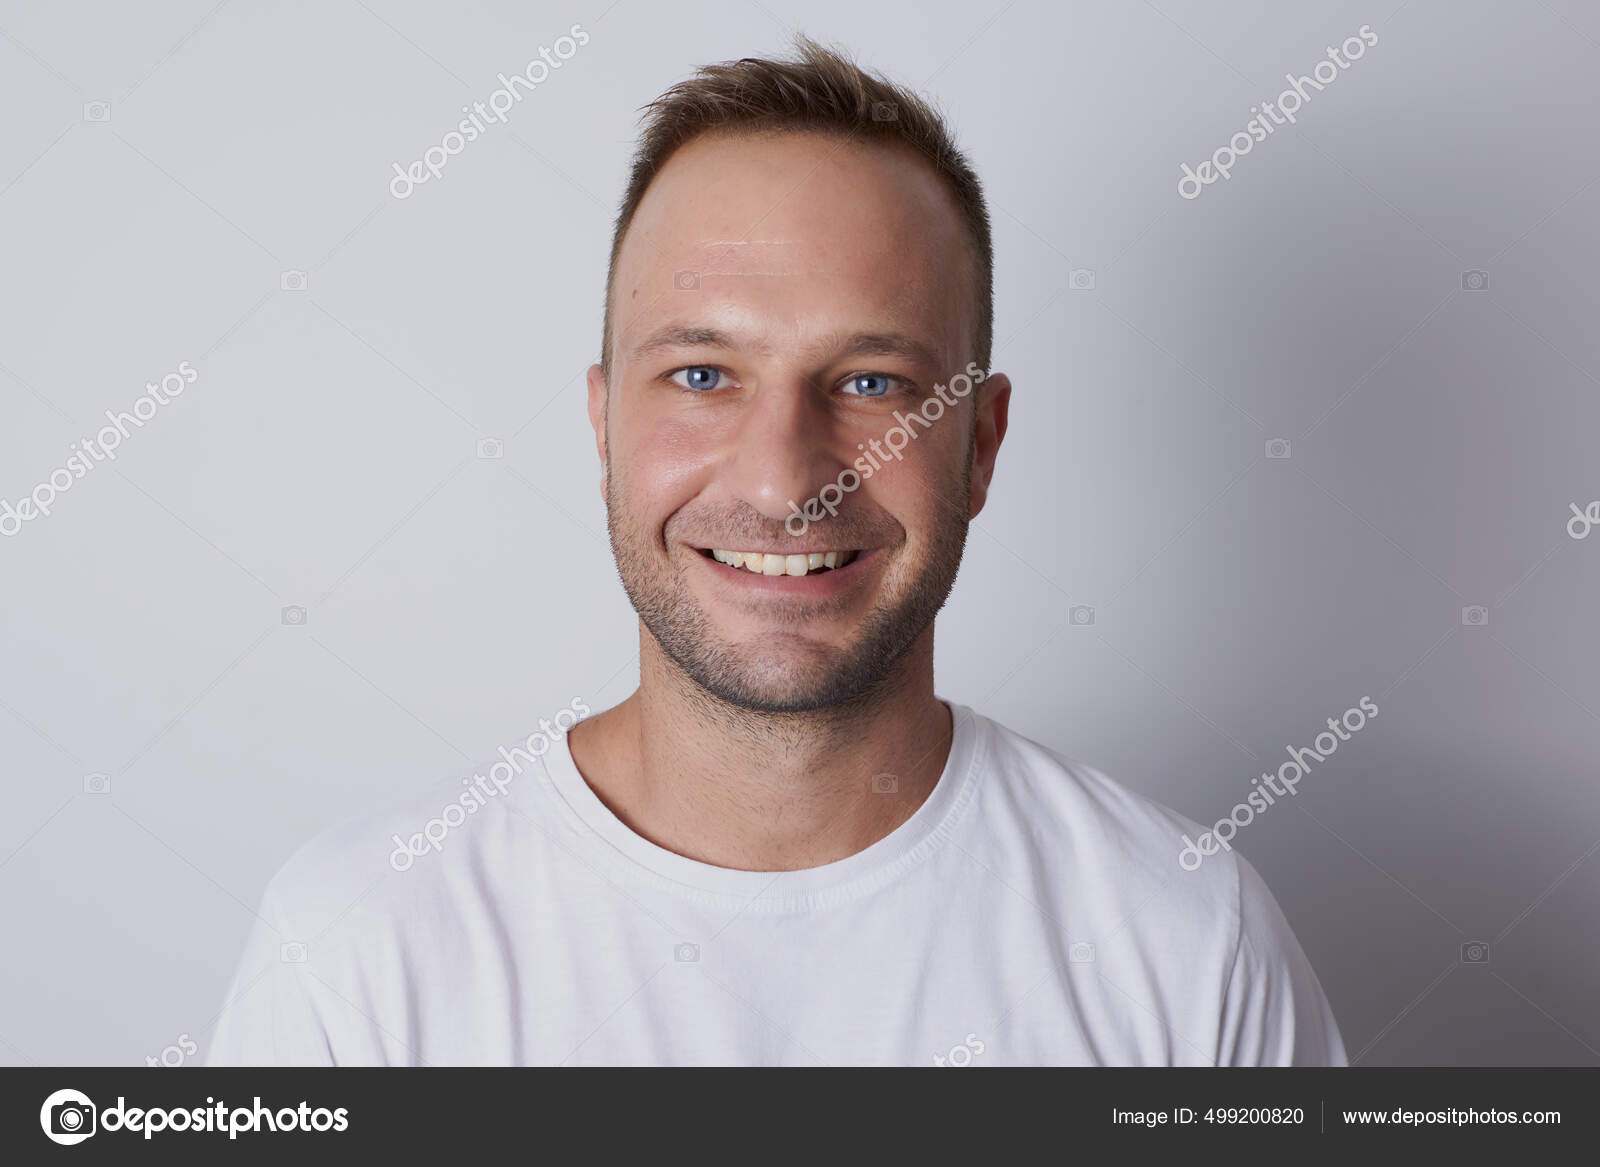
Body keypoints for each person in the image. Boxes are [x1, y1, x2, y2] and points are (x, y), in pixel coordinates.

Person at [209, 36, 1344, 1067]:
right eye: (702, 375)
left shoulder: (1187, 944)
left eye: (872, 382)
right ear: (605, 428)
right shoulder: (360, 948)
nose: (783, 480)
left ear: (980, 444)